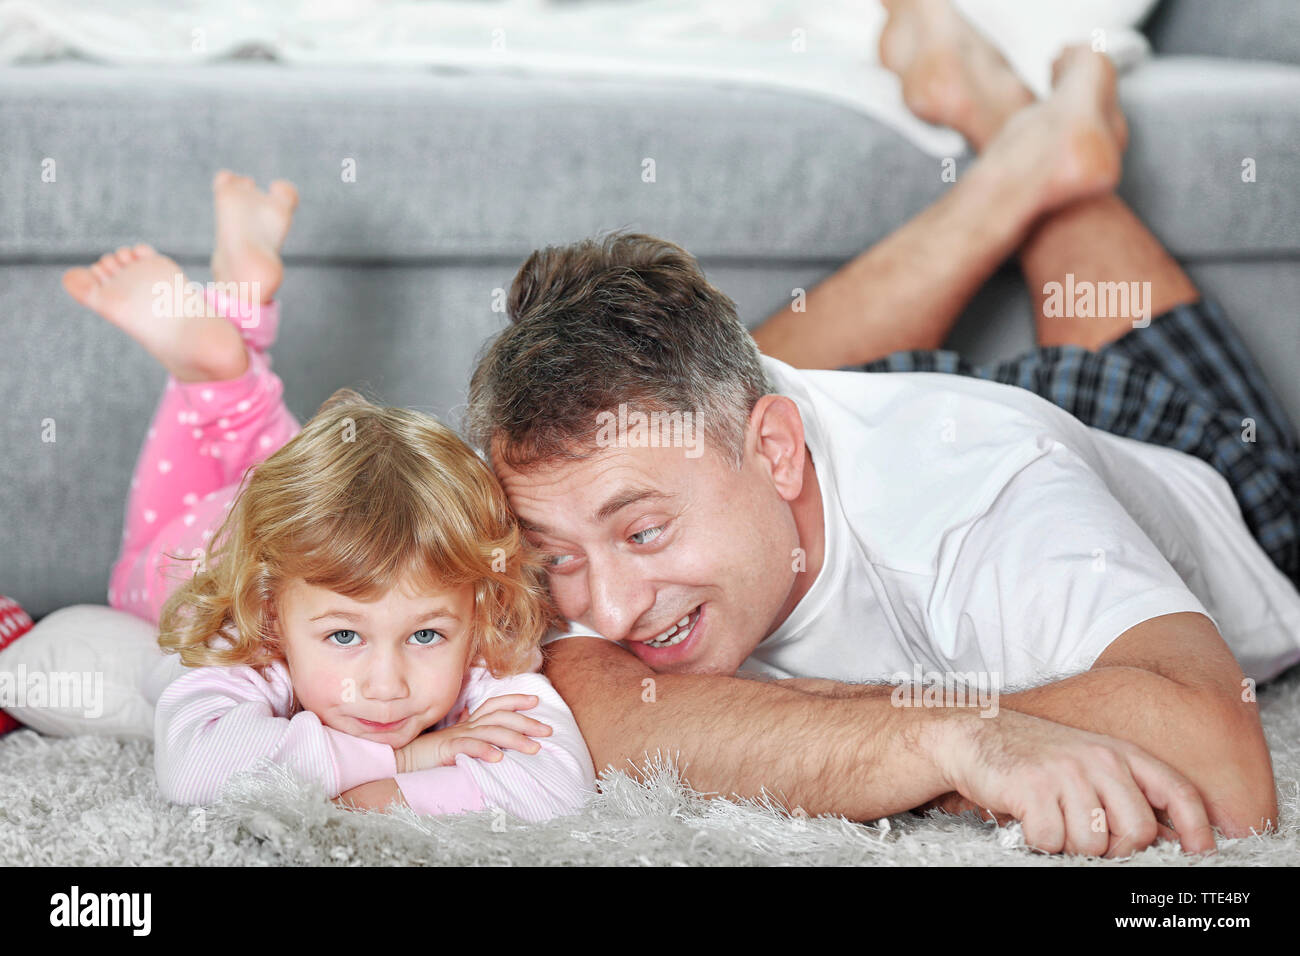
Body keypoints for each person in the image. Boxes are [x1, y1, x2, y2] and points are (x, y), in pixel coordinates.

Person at [464, 0, 1298, 855]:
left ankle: (1012, 119)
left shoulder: (982, 501)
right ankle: (1027, 150)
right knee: (712, 389)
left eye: (642, 533)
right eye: (556, 559)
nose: (606, 610)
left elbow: (1222, 766)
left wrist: (824, 740)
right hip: (867, 417)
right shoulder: (599, 492)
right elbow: (594, 714)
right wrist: (945, 738)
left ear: (781, 452)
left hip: (1186, 461)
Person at [62, 172, 595, 822]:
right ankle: (223, 350)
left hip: (297, 512)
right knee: (135, 570)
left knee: (273, 466)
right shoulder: (245, 635)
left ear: (479, 603)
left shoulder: (477, 623)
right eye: (344, 637)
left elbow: (557, 783)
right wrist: (402, 762)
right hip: (196, 547)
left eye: (425, 634)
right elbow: (195, 763)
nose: (385, 685)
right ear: (270, 613)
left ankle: (233, 331)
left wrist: (389, 800)